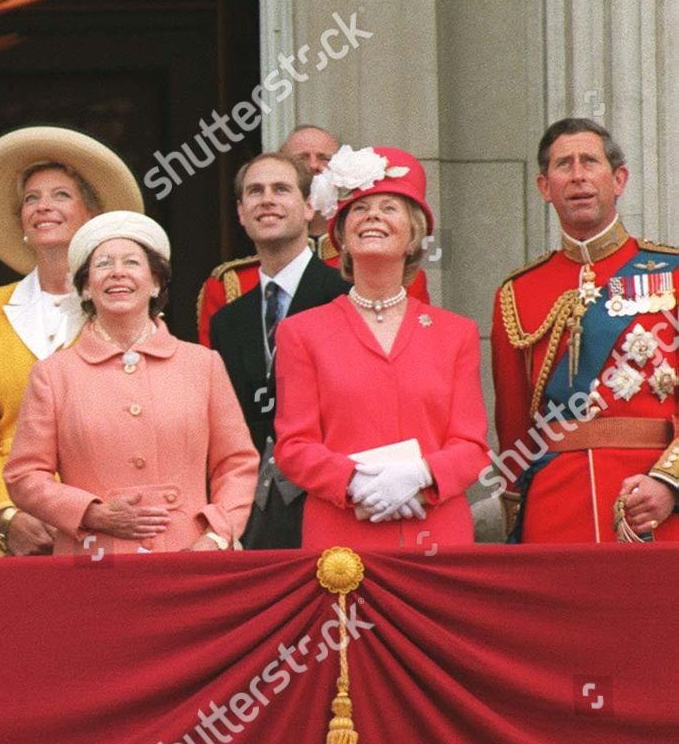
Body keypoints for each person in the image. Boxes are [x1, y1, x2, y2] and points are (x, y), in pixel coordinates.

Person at [273, 146, 489, 549]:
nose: (373, 216)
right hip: (341, 538)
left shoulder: (455, 334)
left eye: (389, 208)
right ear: (341, 236)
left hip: (437, 534)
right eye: (359, 209)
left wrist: (420, 476)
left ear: (413, 237)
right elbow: (294, 446)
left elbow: (471, 446)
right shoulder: (301, 333)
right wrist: (354, 481)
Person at [4, 211, 257, 554]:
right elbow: (24, 475)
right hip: (94, 557)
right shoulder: (53, 374)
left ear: (156, 283)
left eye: (132, 262)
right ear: (85, 288)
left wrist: (216, 537)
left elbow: (237, 464)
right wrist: (90, 513)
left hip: (189, 555)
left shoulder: (202, 365)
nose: (117, 272)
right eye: (103, 264)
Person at [0, 126, 144, 556]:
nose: (43, 206)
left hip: (102, 524)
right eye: (31, 198)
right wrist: (6, 515)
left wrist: (88, 511)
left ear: (92, 216)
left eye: (61, 195)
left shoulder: (122, 309)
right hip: (10, 534)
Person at [491, 118, 679, 543]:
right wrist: (516, 512)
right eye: (564, 164)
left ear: (619, 179)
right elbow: (514, 426)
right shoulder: (517, 292)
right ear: (544, 187)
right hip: (555, 506)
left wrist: (670, 484)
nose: (578, 175)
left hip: (652, 501)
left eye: (590, 161)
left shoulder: (673, 273)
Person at [209, 152, 350, 548]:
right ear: (241, 212)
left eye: (281, 190)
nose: (267, 200)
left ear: (309, 207)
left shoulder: (344, 297)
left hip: (331, 503)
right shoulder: (228, 320)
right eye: (255, 191)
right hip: (252, 514)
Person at [196, 125, 430, 346]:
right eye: (300, 159)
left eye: (324, 158)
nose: (313, 166)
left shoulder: (379, 271)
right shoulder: (231, 283)